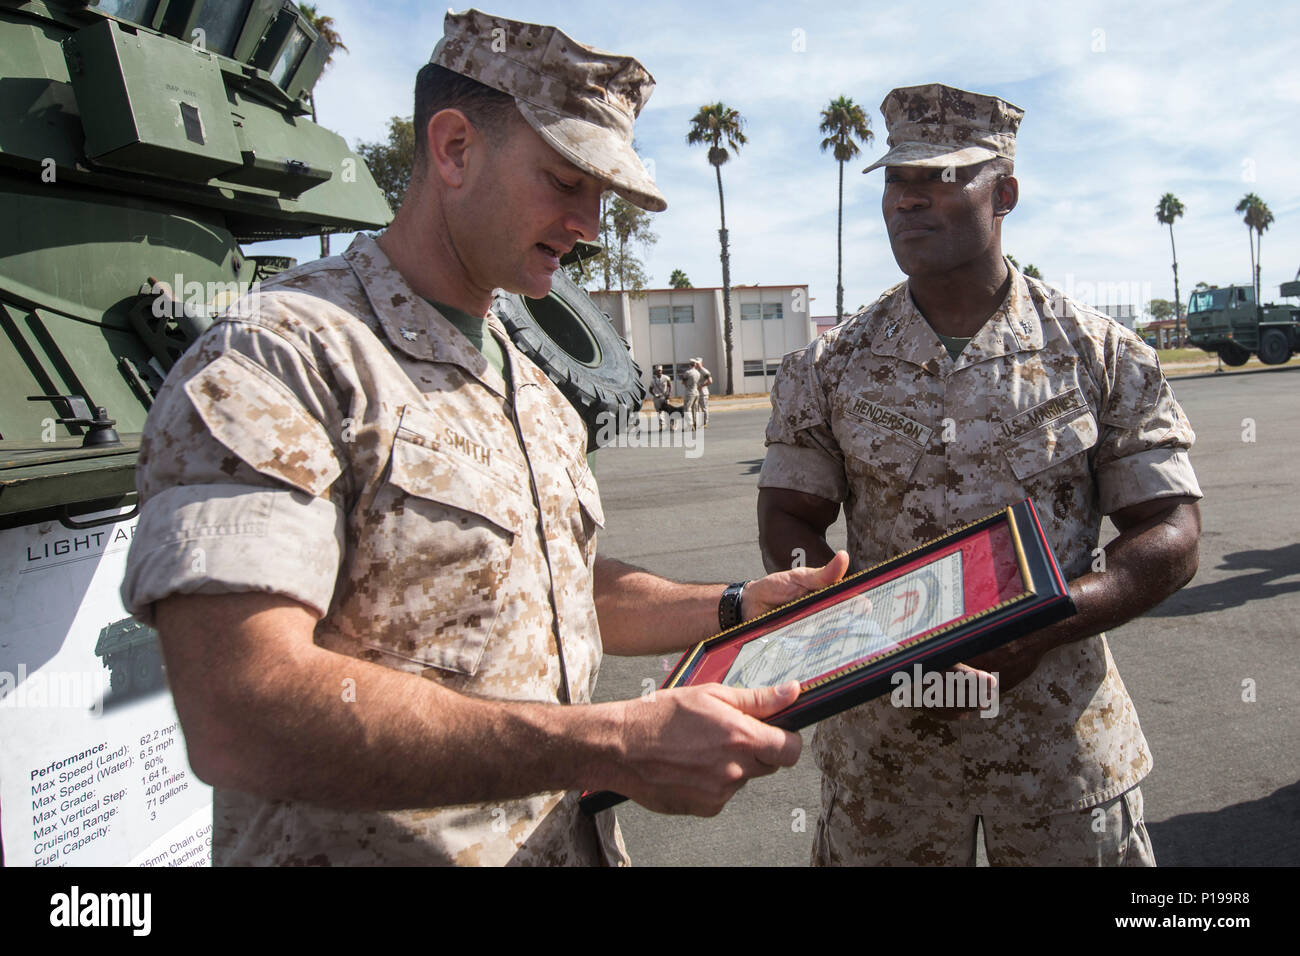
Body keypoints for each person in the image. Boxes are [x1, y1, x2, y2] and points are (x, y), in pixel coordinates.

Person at [120, 10, 849, 867]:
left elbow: (553, 590)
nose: (590, 222)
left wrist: (732, 607)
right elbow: (239, 712)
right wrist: (602, 744)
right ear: (456, 148)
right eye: (565, 181)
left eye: (602, 195)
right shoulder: (282, 356)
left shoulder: (530, 386)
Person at [756, 83, 1202, 866]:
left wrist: (1051, 620)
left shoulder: (1099, 354)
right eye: (897, 180)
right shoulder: (831, 365)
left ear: (1007, 194)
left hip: (1060, 756)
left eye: (941, 178)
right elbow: (789, 517)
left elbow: (1169, 531)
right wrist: (862, 625)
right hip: (887, 760)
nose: (909, 201)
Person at [680, 357, 703, 431]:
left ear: (689, 364)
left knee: (687, 408)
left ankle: (690, 424)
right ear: (695, 365)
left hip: (689, 392)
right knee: (695, 408)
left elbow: (683, 382)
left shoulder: (688, 372)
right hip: (696, 391)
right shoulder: (698, 373)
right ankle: (696, 423)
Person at [649, 364, 673, 429]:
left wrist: (669, 394)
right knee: (659, 412)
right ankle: (661, 425)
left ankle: (670, 425)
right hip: (657, 398)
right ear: (655, 371)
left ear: (662, 371)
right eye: (657, 371)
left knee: (668, 412)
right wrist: (654, 394)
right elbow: (650, 390)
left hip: (664, 397)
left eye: (659, 370)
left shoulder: (666, 378)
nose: (658, 372)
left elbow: (670, 386)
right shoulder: (653, 380)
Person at [695, 358, 714, 427]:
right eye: (696, 363)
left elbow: (710, 381)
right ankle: (697, 422)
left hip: (703, 393)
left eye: (698, 363)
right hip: (696, 393)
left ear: (701, 363)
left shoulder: (704, 371)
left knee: (704, 408)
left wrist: (701, 386)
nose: (696, 365)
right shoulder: (695, 371)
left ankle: (705, 422)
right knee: (696, 408)